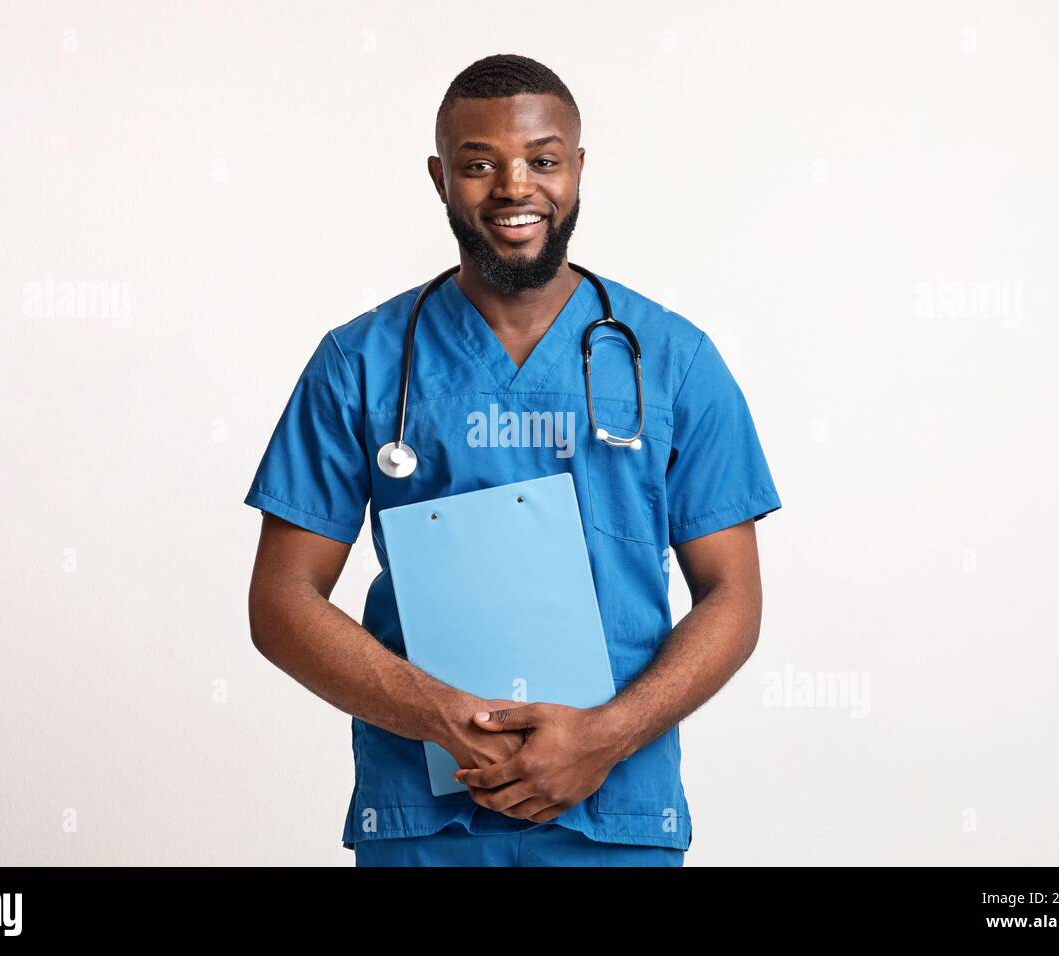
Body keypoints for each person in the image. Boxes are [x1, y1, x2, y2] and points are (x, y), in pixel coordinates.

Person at [245, 53, 782, 867]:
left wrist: (606, 737)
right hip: (425, 819)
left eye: (542, 159)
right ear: (439, 178)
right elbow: (281, 601)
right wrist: (441, 716)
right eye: (478, 164)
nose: (514, 187)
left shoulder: (670, 360)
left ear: (578, 169)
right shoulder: (360, 363)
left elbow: (733, 596)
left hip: (614, 815)